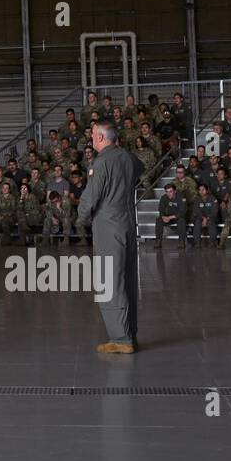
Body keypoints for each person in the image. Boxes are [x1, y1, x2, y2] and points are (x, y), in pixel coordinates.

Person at [76, 120, 143, 355]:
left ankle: (120, 338)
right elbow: (140, 168)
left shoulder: (101, 161)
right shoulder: (128, 158)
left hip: (108, 227)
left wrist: (81, 217)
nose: (91, 138)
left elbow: (91, 197)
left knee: (110, 282)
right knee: (127, 281)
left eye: (93, 134)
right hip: (127, 224)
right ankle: (130, 333)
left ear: (103, 138)